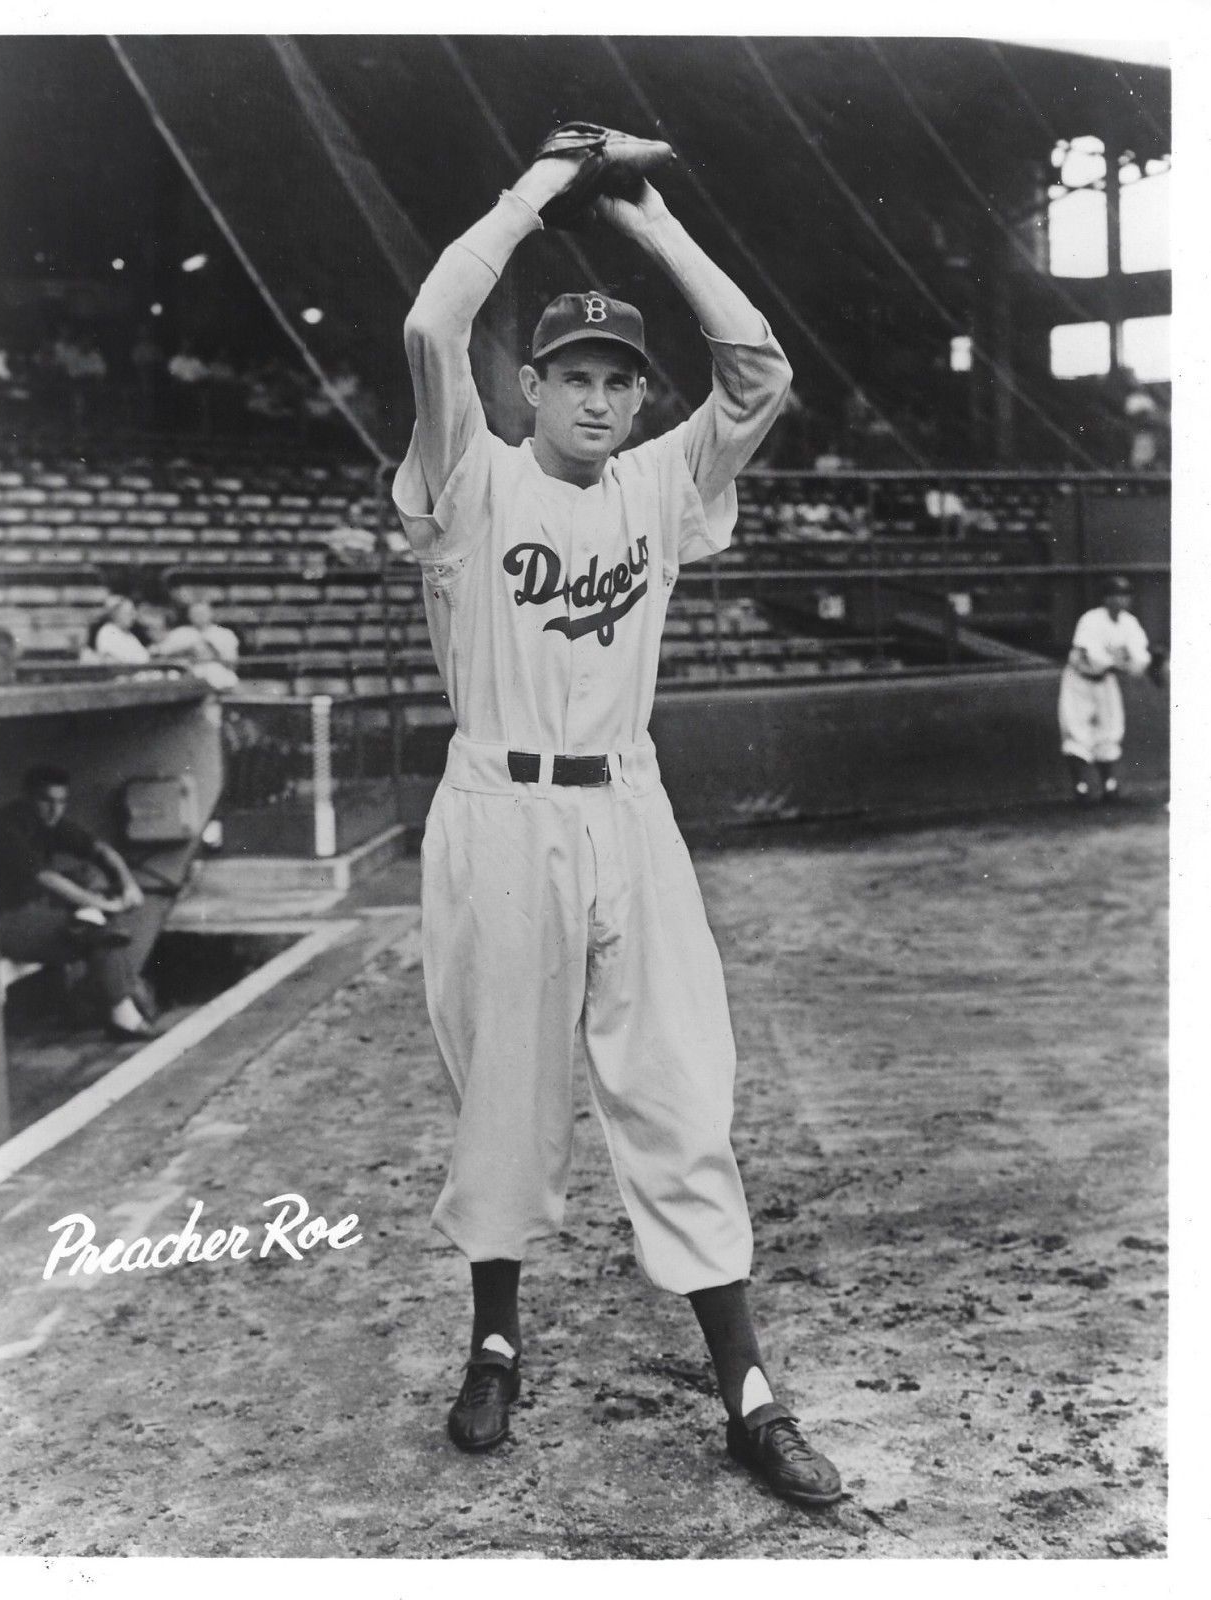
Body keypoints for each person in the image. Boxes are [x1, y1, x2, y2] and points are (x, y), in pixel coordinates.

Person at [391, 131, 842, 1506]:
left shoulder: (661, 482)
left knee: (678, 1087)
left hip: (625, 806)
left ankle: (748, 1393)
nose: (598, 396)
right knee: (503, 1097)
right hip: (493, 805)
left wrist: (644, 218)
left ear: (641, 400)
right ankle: (494, 1336)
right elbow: (429, 319)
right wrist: (538, 189)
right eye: (574, 373)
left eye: (620, 380)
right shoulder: (469, 474)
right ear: (525, 386)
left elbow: (758, 366)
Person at [0, 766, 159, 1042]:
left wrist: (128, 883)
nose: (54, 810)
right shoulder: (8, 826)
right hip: (1, 921)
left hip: (33, 911)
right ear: (28, 798)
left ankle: (119, 1001)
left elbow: (101, 850)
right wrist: (101, 904)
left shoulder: (52, 823)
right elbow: (47, 878)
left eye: (61, 802)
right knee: (94, 928)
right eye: (46, 801)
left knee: (90, 887)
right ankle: (124, 1013)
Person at [1058, 575, 1153, 803]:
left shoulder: (1129, 622)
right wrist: (1121, 661)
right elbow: (1094, 656)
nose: (1120, 600)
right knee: (1076, 730)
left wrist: (1134, 663)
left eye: (1124, 595)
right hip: (1079, 680)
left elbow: (1140, 657)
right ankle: (1081, 787)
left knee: (1111, 729)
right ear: (1105, 598)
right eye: (1115, 595)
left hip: (1106, 682)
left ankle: (1109, 786)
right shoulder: (1090, 620)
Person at [89, 597, 150, 666]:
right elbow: (110, 661)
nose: (133, 617)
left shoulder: (130, 635)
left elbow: (144, 658)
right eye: (129, 613)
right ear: (117, 614)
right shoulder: (107, 631)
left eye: (133, 613)